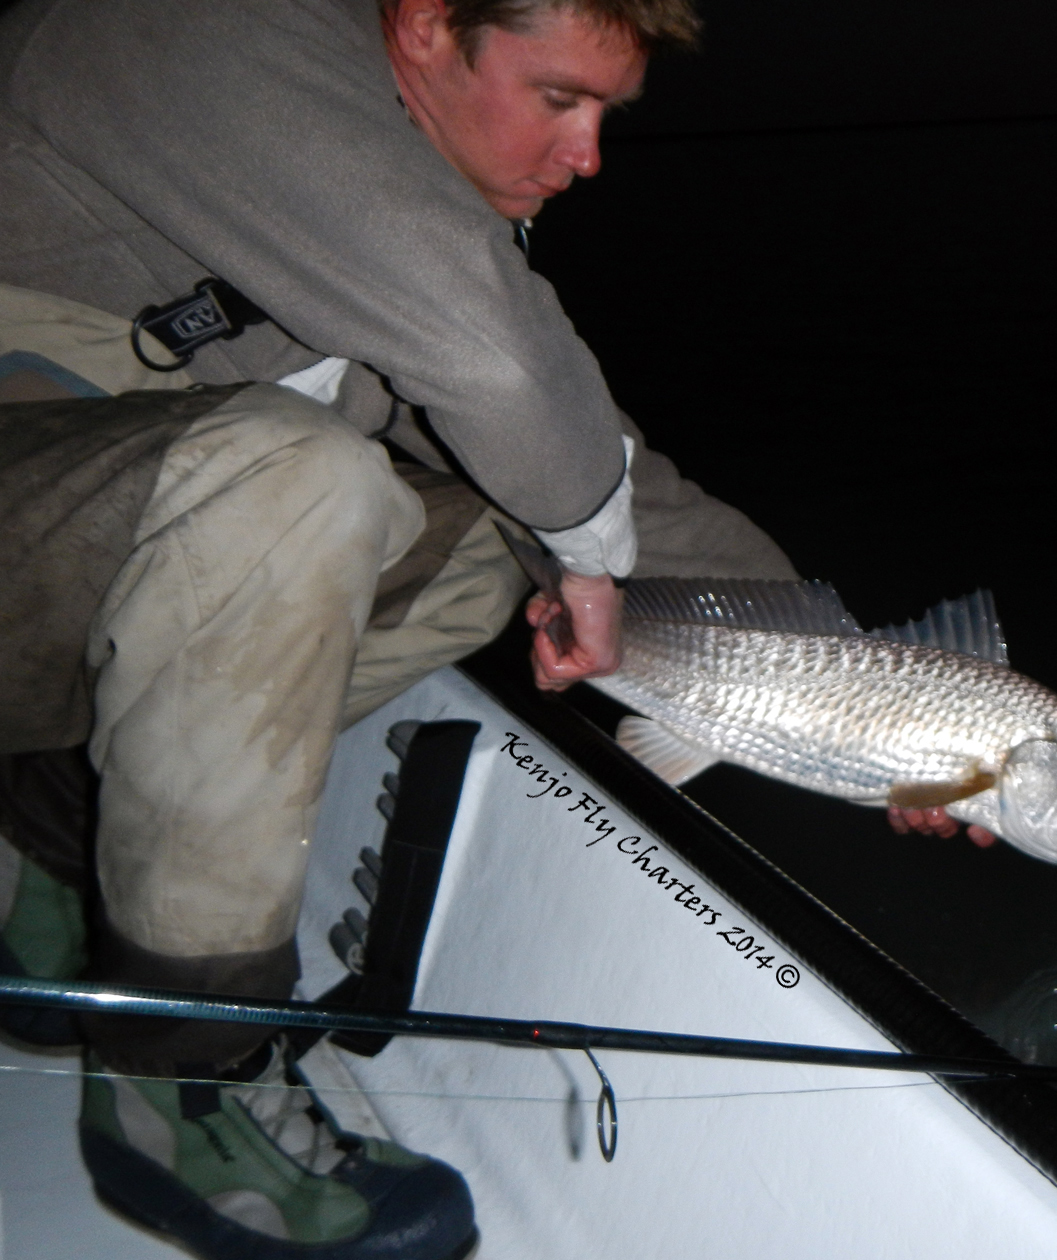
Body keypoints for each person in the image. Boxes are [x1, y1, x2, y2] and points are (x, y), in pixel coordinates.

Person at [0, 2, 797, 1256]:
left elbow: (601, 477)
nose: (589, 157)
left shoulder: (360, 187)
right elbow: (497, 357)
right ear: (428, 25)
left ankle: (46, 857)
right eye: (559, 99)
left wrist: (863, 671)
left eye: (605, 114)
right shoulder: (200, 33)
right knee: (294, 481)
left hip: (47, 562)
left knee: (482, 542)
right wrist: (588, 555)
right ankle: (184, 1075)